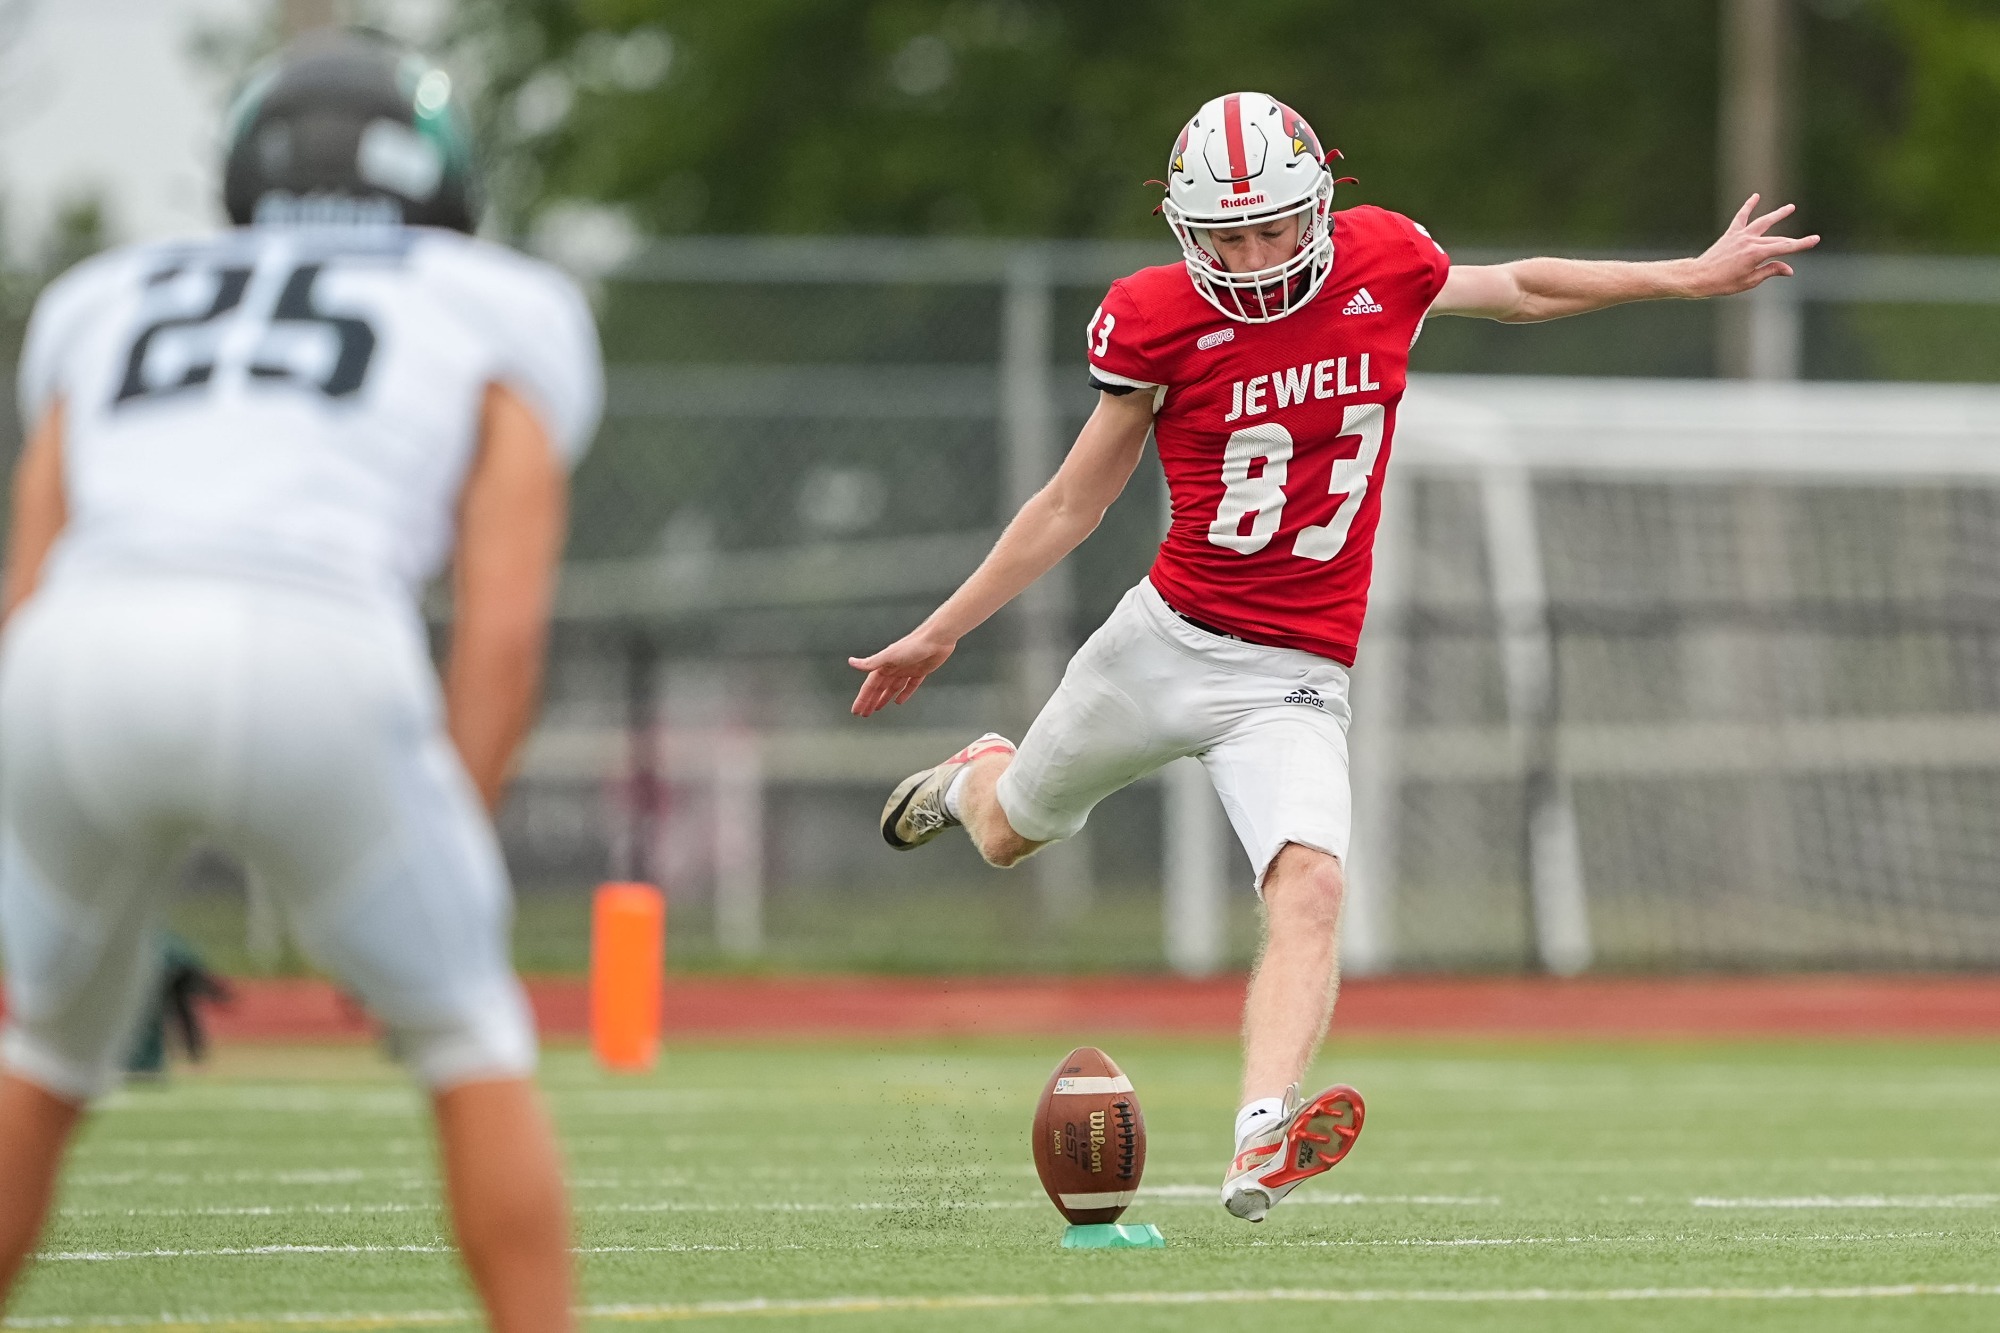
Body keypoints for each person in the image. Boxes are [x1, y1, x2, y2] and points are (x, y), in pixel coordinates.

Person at [851, 90, 1817, 1223]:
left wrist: (1684, 276)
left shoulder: (1382, 257)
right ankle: (974, 772)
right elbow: (1073, 500)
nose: (1254, 257)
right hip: (1161, 643)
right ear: (1184, 229)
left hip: (1295, 673)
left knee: (1307, 881)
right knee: (1011, 831)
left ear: (1319, 206)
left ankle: (1261, 1132)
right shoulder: (1155, 319)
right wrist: (945, 624)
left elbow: (1515, 287)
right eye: (1227, 235)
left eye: (1272, 229)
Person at [0, 31, 602, 1331]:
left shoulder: (104, 294)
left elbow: (27, 583)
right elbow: (500, 629)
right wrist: (446, 846)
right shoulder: (505, 303)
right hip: (316, 643)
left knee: (44, 1050)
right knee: (467, 1040)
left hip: (76, 653)